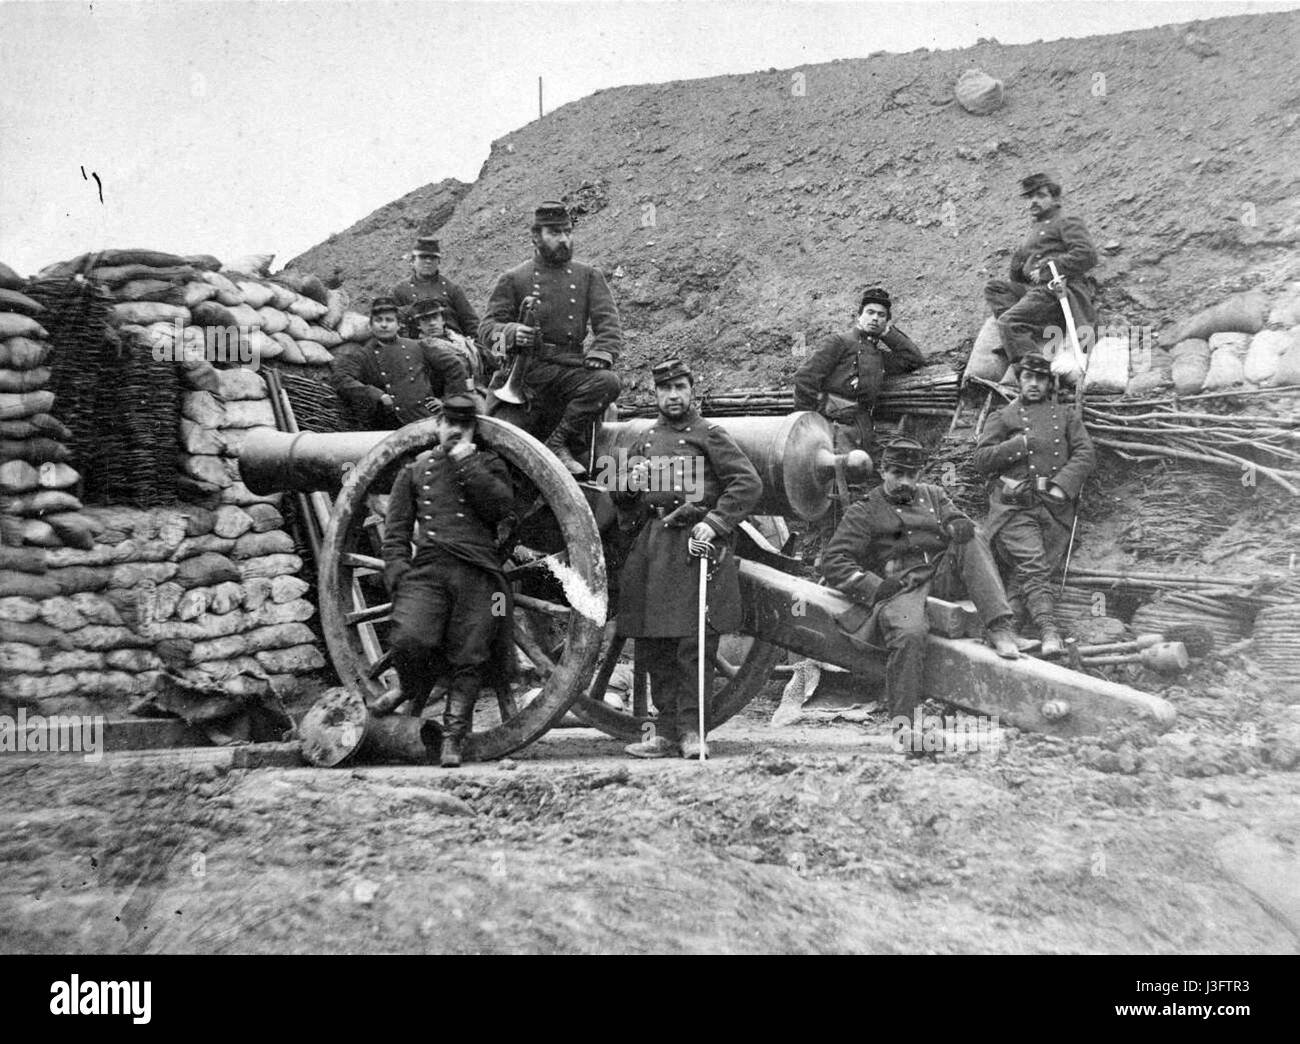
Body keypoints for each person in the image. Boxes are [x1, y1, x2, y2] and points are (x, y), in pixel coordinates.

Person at [617, 359, 762, 760]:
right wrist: (630, 484)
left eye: (680, 387)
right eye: (665, 389)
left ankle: (693, 731)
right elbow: (619, 498)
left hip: (695, 548)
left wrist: (715, 522)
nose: (673, 395)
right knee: (654, 644)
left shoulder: (709, 435)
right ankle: (664, 733)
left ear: (692, 390)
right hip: (653, 547)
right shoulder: (644, 439)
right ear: (656, 394)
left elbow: (747, 483)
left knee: (692, 645)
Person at [821, 436, 1022, 720]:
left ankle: (999, 625)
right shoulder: (865, 510)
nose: (905, 481)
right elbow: (833, 560)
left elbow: (954, 516)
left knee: (972, 536)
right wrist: (876, 587)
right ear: (883, 471)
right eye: (897, 473)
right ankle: (906, 722)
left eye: (911, 474)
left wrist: (957, 523)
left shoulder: (933, 495)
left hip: (941, 576)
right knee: (909, 634)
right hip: (901, 587)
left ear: (920, 474)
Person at [380, 394, 515, 767]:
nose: (455, 431)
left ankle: (454, 736)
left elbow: (501, 508)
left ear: (473, 430)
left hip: (478, 570)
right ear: (437, 426)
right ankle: (409, 684)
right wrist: (397, 572)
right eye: (449, 424)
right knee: (409, 637)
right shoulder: (416, 469)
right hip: (429, 570)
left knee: (469, 654)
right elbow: (395, 532)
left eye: (464, 426)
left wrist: (466, 462)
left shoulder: (488, 464)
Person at [479, 200, 622, 476]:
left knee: (608, 383)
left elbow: (609, 325)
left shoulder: (588, 276)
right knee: (502, 451)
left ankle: (558, 442)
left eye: (567, 232)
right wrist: (509, 334)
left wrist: (601, 353)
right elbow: (487, 333)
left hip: (570, 370)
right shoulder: (513, 278)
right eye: (555, 233)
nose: (564, 240)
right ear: (536, 236)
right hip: (528, 376)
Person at [971, 352, 1096, 656]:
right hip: (1015, 505)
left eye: (1041, 378)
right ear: (1020, 380)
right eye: (1028, 377)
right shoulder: (1003, 416)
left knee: (1026, 572)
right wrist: (1019, 445)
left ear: (1050, 383)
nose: (1034, 384)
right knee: (1033, 565)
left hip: (1055, 507)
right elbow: (982, 460)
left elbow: (1085, 455)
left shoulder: (1066, 416)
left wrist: (1062, 487)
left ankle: (1007, 631)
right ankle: (1048, 630)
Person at [982, 172, 1099, 368]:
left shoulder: (1066, 221)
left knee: (1007, 322)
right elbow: (1022, 273)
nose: (1033, 202)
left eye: (1041, 196)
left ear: (1055, 199)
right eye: (1029, 197)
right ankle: (1020, 337)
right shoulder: (1036, 229)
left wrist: (1047, 269)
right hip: (1037, 292)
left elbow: (1087, 255)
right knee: (994, 288)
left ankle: (1036, 370)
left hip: (1058, 290)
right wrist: (1019, 265)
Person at [793, 287, 926, 459]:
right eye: (870, 312)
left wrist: (889, 334)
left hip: (863, 429)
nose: (875, 318)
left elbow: (914, 360)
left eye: (881, 315)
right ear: (859, 316)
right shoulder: (839, 342)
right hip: (833, 428)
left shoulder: (879, 356)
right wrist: (809, 425)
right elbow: (805, 379)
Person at [329, 296, 474, 429]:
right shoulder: (363, 355)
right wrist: (377, 395)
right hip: (389, 424)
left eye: (389, 320)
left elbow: (454, 366)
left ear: (399, 325)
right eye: (379, 320)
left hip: (425, 418)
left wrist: (447, 401)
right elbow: (341, 378)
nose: (384, 325)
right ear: (371, 326)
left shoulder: (418, 346)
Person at [391, 236, 480, 341]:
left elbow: (471, 323)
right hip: (416, 347)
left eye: (433, 258)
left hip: (452, 345)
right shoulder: (400, 291)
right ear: (412, 261)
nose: (428, 261)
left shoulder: (452, 289)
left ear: (439, 262)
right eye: (423, 257)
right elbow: (391, 325)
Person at [412, 299, 495, 394]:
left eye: (435, 317)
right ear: (418, 325)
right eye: (425, 319)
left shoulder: (460, 339)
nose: (432, 323)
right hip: (451, 397)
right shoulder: (421, 348)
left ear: (443, 320)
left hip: (479, 390)